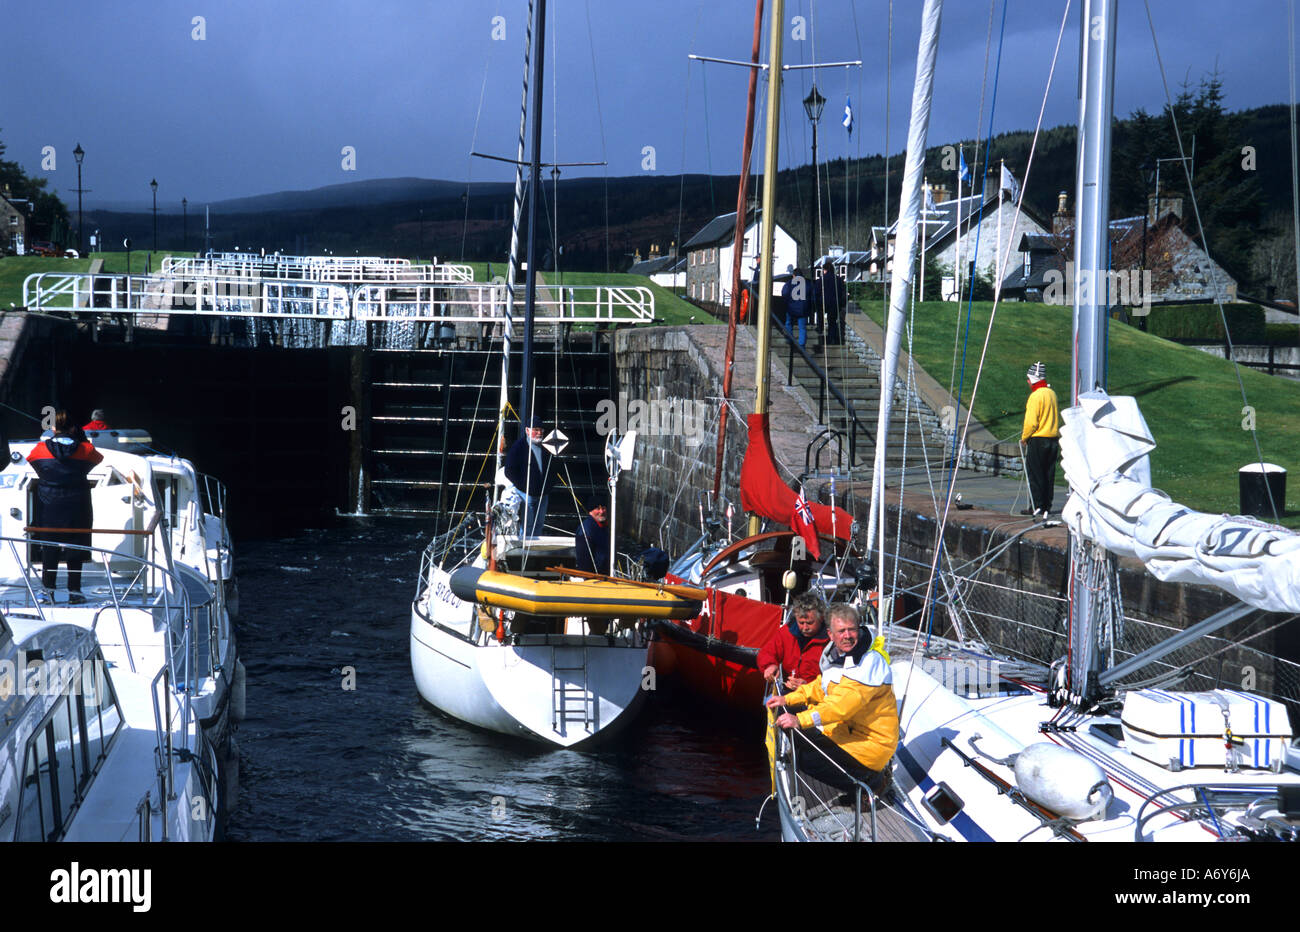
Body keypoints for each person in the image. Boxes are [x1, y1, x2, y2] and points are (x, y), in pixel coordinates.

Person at [765, 604, 898, 794]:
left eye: (852, 630)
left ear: (859, 630)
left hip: (870, 746)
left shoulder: (869, 662)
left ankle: (872, 782)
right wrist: (787, 700)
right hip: (846, 734)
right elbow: (821, 687)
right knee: (786, 710)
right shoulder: (841, 657)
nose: (847, 636)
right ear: (831, 634)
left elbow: (842, 705)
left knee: (806, 760)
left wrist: (801, 720)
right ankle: (851, 777)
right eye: (841, 631)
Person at [27, 410, 104, 603]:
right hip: (78, 504)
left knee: (49, 549)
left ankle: (48, 592)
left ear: (53, 429)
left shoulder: (40, 449)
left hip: (49, 505)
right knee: (75, 548)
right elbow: (98, 457)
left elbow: (32, 461)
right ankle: (75, 592)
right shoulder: (85, 451)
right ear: (72, 428)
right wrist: (81, 437)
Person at [757, 592, 830, 691]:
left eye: (810, 623)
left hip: (820, 696)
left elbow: (836, 677)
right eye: (801, 622)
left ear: (821, 618)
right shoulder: (786, 632)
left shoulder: (831, 639)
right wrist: (769, 665)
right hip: (789, 694)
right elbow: (767, 652)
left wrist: (809, 686)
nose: (805, 627)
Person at [1020, 361, 1061, 517]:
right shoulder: (1052, 393)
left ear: (1033, 379)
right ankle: (1046, 506)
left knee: (1035, 474)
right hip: (1052, 439)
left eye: (1029, 379)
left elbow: (1031, 422)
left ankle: (1036, 506)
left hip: (1037, 439)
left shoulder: (1035, 396)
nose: (1028, 382)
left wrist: (1025, 437)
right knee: (1048, 474)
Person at [504, 415, 554, 536]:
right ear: (527, 430)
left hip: (543, 495)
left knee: (539, 525)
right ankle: (525, 552)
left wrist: (549, 486)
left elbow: (555, 468)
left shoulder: (547, 447)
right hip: (527, 495)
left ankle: (534, 553)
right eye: (535, 430)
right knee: (527, 527)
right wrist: (524, 487)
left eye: (541, 430)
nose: (539, 433)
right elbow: (509, 471)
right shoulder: (519, 447)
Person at [574, 498, 611, 575]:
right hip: (594, 575)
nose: (601, 511)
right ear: (590, 511)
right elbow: (583, 558)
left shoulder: (603, 526)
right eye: (598, 509)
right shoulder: (586, 529)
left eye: (603, 508)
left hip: (605, 572)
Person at [782, 268, 809, 348]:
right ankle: (802, 345)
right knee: (802, 327)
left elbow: (785, 293)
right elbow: (811, 294)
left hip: (791, 307)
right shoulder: (807, 283)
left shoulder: (789, 283)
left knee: (788, 323)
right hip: (802, 308)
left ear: (793, 275)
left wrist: (787, 302)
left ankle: (790, 338)